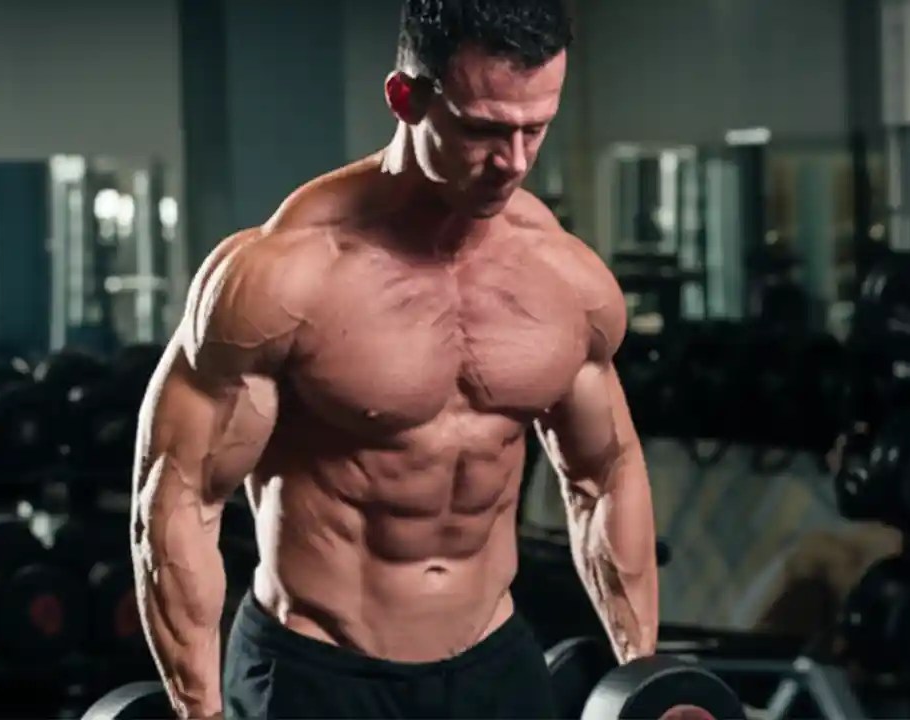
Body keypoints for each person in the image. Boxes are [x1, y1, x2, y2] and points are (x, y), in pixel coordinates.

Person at [131, 0, 659, 717]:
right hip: (320, 671)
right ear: (406, 98)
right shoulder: (283, 278)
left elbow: (605, 475)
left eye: (536, 129)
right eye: (483, 129)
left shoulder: (565, 280)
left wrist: (646, 676)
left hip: (494, 665)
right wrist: (198, 710)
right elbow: (179, 499)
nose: (513, 162)